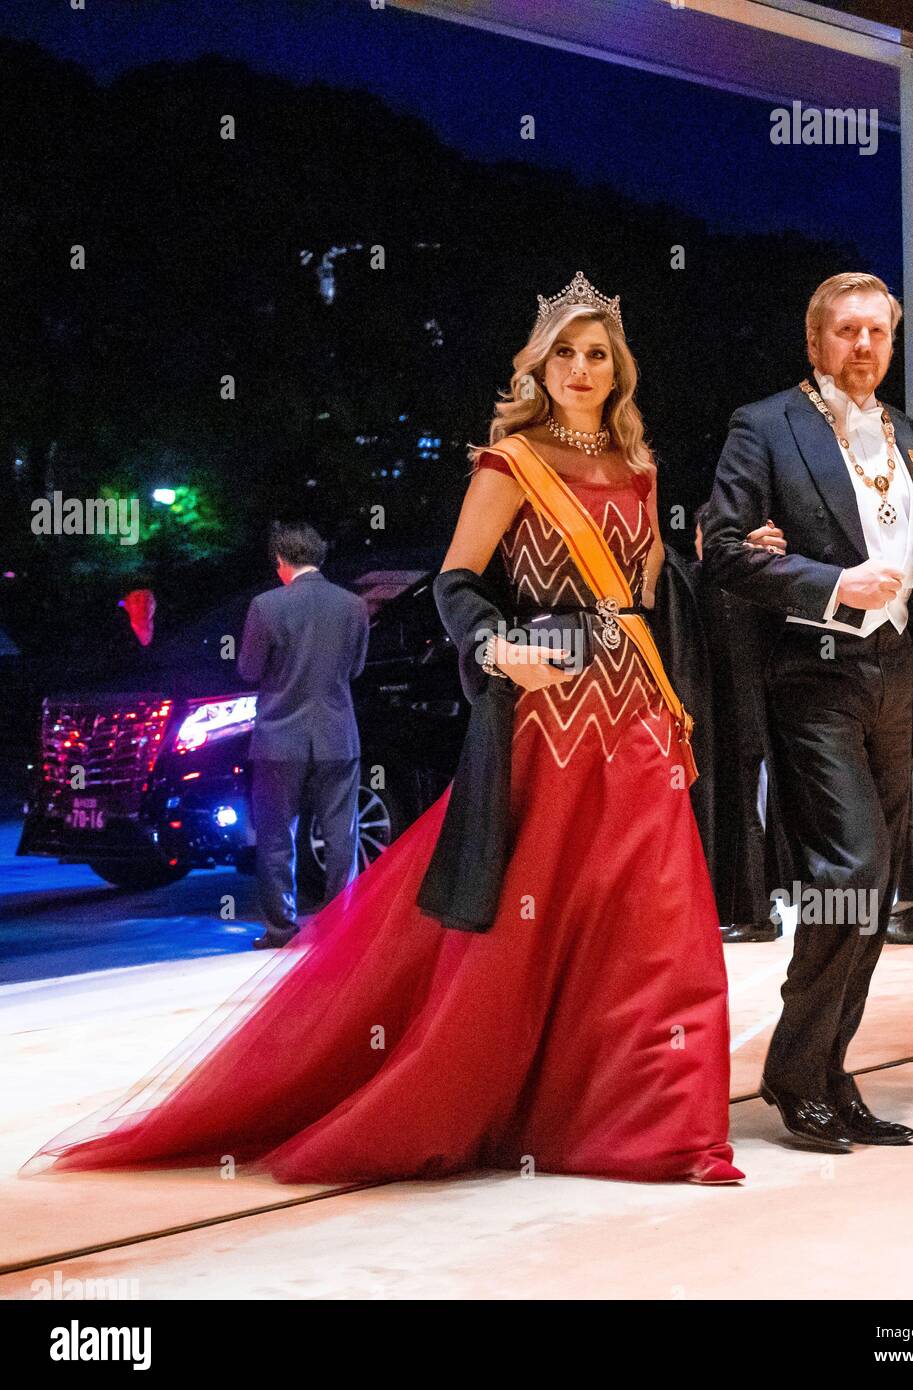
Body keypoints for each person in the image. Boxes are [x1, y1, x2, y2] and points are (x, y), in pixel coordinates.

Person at [22, 272, 743, 1188]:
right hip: (546, 713)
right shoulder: (508, 464)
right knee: (529, 920)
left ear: (619, 369)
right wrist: (496, 648)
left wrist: (675, 697)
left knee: (657, 922)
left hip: (633, 709)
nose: (580, 368)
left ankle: (658, 1125)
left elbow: (644, 602)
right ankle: (531, 1106)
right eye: (564, 351)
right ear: (538, 364)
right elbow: (456, 584)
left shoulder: (639, 468)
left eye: (596, 353)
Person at [701, 271, 913, 1153]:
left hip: (896, 678)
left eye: (877, 333)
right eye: (846, 332)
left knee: (878, 880)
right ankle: (795, 1072)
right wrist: (829, 584)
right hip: (813, 676)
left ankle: (829, 1071)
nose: (863, 347)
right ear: (814, 341)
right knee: (849, 871)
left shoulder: (908, 436)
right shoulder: (765, 425)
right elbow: (716, 549)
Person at [237, 521, 370, 949]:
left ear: (281, 561)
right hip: (337, 734)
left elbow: (249, 669)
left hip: (280, 740)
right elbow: (356, 669)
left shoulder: (266, 606)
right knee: (341, 837)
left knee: (276, 837)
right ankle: (340, 928)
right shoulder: (353, 606)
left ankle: (280, 928)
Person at [693, 502, 791, 943]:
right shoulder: (700, 583)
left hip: (753, 718)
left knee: (753, 809)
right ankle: (742, 910)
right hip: (724, 720)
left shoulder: (755, 580)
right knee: (740, 808)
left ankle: (756, 915)